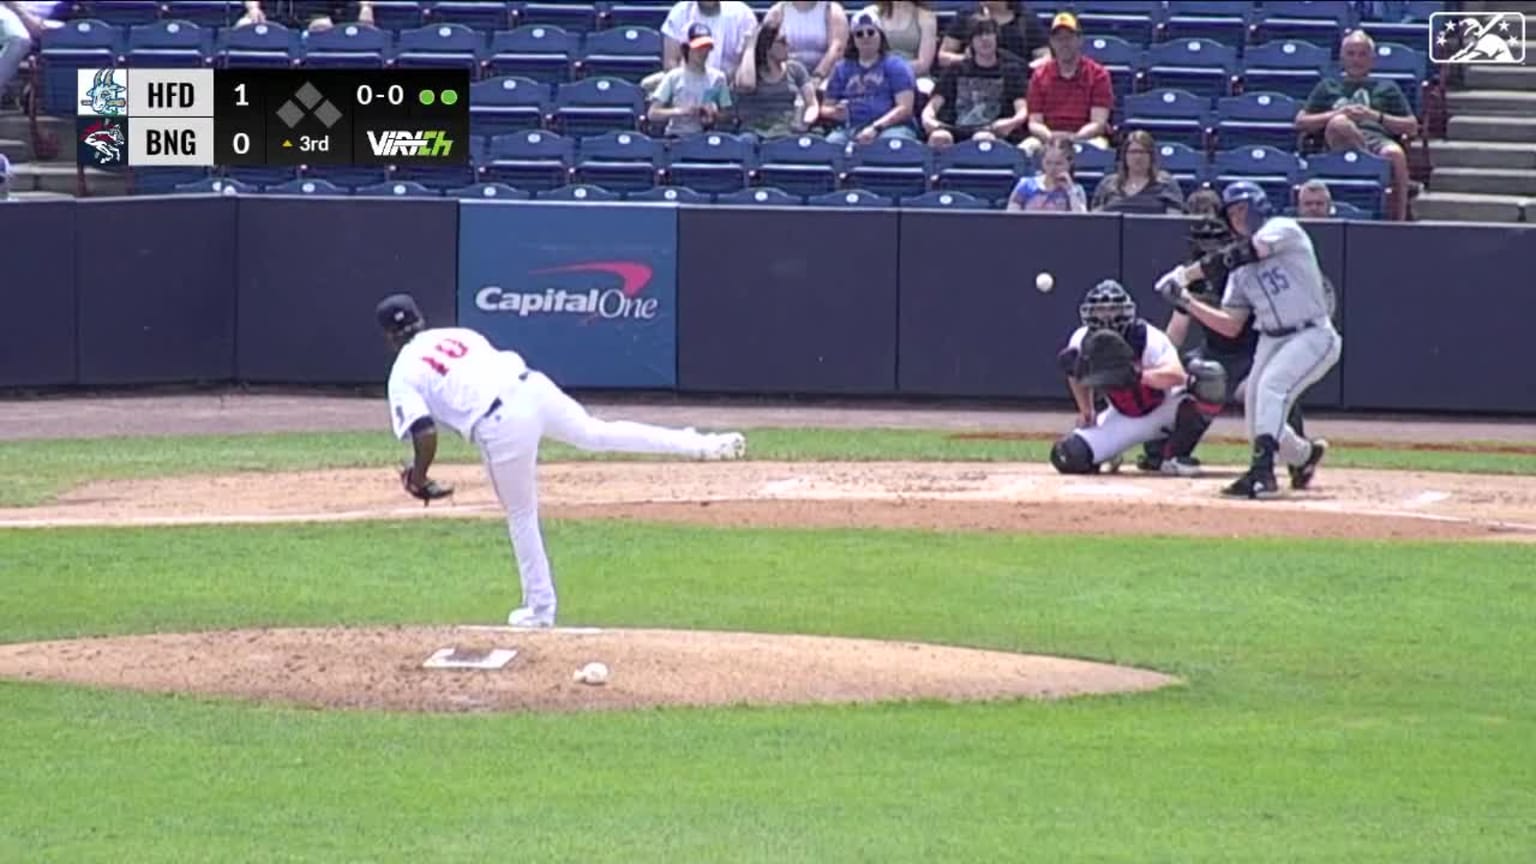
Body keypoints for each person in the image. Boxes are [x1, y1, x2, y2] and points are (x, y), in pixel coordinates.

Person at [375, 294, 747, 628]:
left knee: (521, 514)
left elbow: (423, 431)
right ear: (420, 319)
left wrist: (419, 476)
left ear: (388, 337)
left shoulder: (403, 373)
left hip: (500, 422)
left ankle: (539, 609)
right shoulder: (458, 334)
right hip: (533, 387)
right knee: (597, 433)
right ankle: (699, 444)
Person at [1154, 182, 1340, 499]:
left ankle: (1262, 473)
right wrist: (1186, 301)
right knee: (1255, 410)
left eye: (1243, 210)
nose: (1239, 218)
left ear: (1257, 206)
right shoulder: (1240, 275)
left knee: (1271, 390)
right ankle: (1305, 455)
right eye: (1233, 214)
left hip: (1311, 332)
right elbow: (1230, 325)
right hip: (1271, 337)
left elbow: (1246, 251)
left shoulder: (1283, 229)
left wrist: (1187, 274)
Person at [1137, 213, 1308, 475]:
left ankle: (1299, 461)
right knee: (1194, 375)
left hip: (1253, 352)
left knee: (1275, 383)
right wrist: (1162, 364)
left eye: (1215, 242)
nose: (1209, 249)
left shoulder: (1245, 272)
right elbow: (1177, 331)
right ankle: (1167, 451)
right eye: (1203, 242)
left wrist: (1187, 301)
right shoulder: (1191, 276)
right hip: (1214, 352)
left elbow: (1231, 327)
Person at [1048, 280, 1225, 476]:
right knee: (1068, 455)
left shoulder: (1148, 337)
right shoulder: (1081, 339)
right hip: (1123, 416)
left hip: (1165, 406)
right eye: (1100, 312)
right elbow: (1074, 373)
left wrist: (1137, 375)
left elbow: (1176, 375)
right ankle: (1113, 453)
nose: (1107, 318)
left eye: (1113, 311)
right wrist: (1087, 411)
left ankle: (1175, 455)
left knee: (1210, 378)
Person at [1294, 30, 1417, 221]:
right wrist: (1336, 113)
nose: (1356, 60)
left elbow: (1411, 126)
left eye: (1362, 54)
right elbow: (1301, 121)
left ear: (1372, 59)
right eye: (1351, 54)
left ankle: (1399, 220)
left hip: (1377, 139)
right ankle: (1373, 164)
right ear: (1342, 58)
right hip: (1335, 143)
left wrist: (1375, 116)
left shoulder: (1387, 87)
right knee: (1339, 124)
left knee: (1395, 154)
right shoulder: (1328, 86)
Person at [921, 14, 1028, 151]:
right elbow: (932, 106)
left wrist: (1011, 123)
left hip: (992, 132)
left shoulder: (1011, 70)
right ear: (970, 41)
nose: (984, 39)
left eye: (989, 33)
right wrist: (928, 119)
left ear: (997, 37)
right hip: (956, 130)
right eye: (978, 35)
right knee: (939, 138)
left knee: (982, 140)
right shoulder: (955, 69)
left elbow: (1022, 110)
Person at [820, 11, 918, 145]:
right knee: (831, 144)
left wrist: (875, 128)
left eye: (871, 32)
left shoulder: (896, 65)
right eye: (859, 34)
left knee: (890, 143)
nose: (866, 37)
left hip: (891, 127)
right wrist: (836, 112)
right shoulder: (841, 68)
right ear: (853, 40)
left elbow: (905, 108)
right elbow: (825, 107)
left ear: (880, 35)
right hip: (851, 127)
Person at [734, 20, 820, 138]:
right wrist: (750, 47)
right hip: (754, 131)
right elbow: (746, 85)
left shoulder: (796, 69)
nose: (788, 45)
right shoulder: (749, 71)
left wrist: (805, 121)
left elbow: (812, 104)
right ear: (767, 46)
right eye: (782, 42)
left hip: (785, 131)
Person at [648, 23, 734, 137]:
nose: (703, 53)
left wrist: (714, 114)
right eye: (698, 48)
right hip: (677, 136)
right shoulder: (674, 77)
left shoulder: (718, 78)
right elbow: (653, 113)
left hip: (705, 136)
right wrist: (681, 111)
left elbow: (727, 114)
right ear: (686, 49)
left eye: (706, 48)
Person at [1090, 130, 1185, 214]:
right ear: (1124, 155)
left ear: (1151, 156)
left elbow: (1174, 223)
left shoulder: (1166, 184)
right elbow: (1096, 220)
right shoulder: (1108, 184)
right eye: (1133, 152)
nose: (1138, 157)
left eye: (1143, 152)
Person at [1006, 133, 1086, 212]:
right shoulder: (1026, 185)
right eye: (1048, 163)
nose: (1052, 168)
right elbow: (1011, 215)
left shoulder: (1076, 190)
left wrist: (1070, 191)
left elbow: (1081, 220)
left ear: (1069, 163)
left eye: (1058, 164)